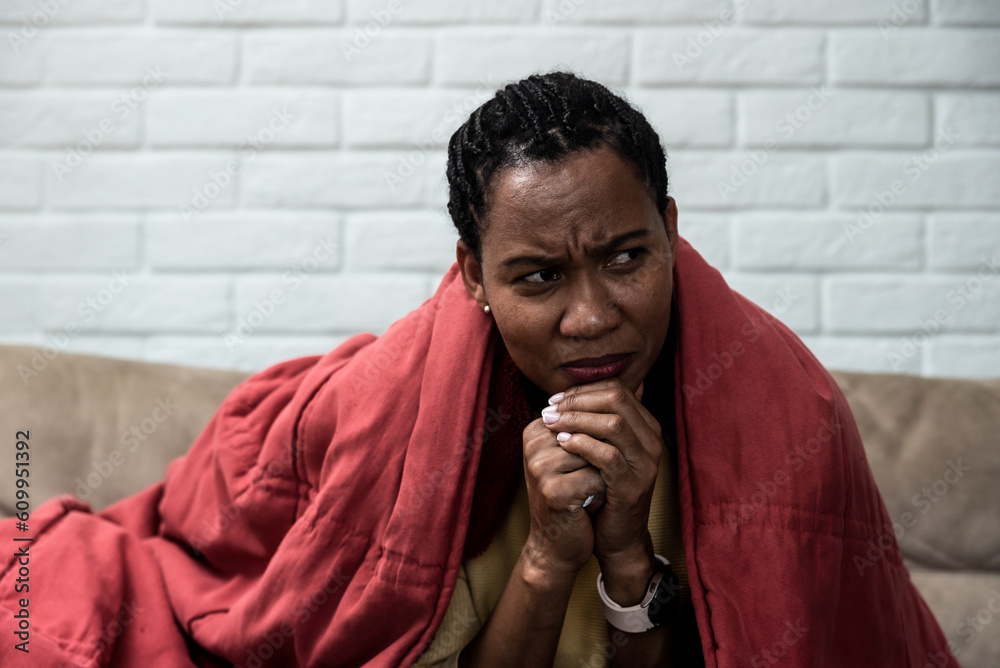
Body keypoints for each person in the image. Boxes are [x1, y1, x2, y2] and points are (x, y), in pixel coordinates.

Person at [0, 72, 954, 668]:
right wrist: (547, 553)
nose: (592, 316)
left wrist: (627, 555)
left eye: (625, 256)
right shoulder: (406, 414)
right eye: (539, 277)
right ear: (473, 277)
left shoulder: (788, 412)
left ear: (671, 231)